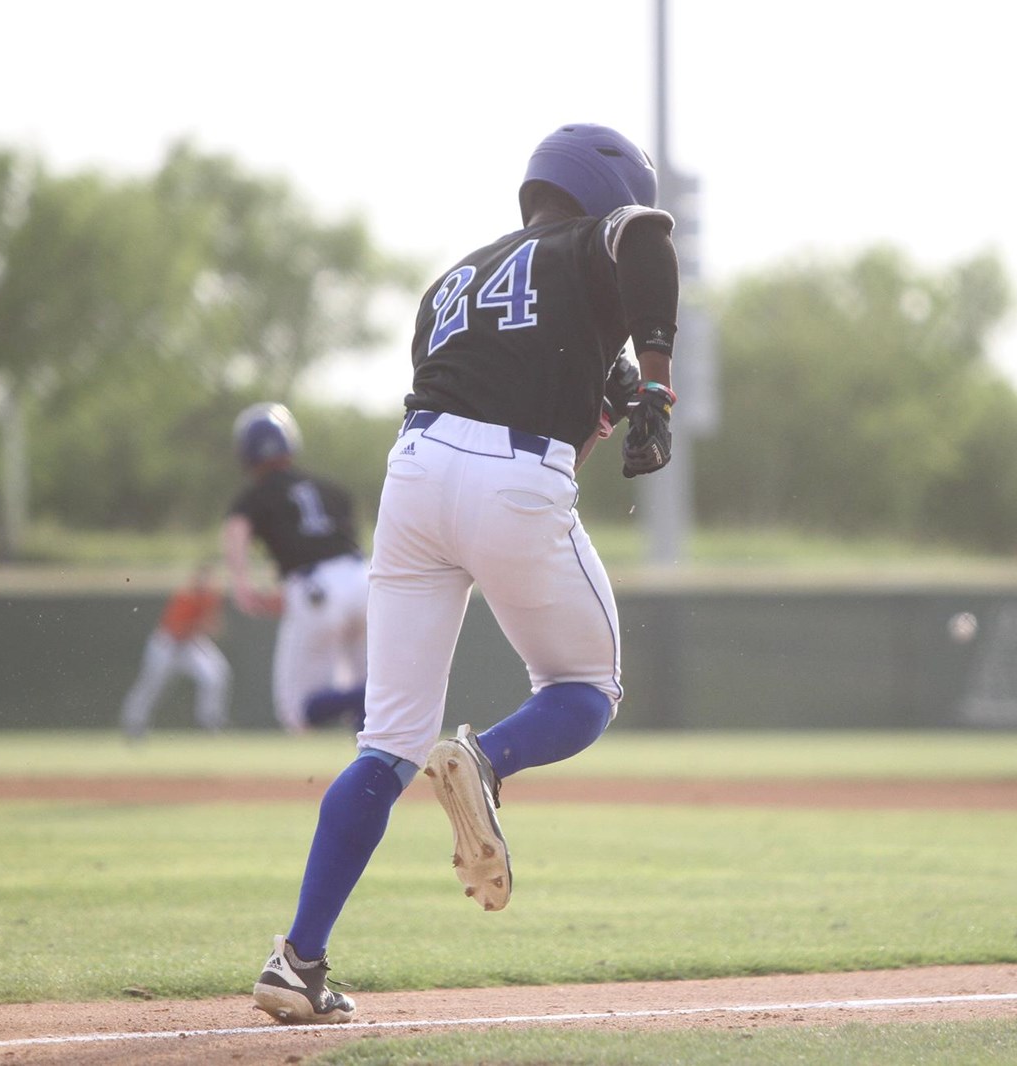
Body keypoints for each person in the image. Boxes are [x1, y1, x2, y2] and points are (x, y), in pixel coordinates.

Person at [250, 122, 680, 1025]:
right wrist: (659, 383)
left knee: (386, 744)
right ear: (605, 188)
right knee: (586, 687)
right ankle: (486, 760)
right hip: (511, 474)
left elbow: (508, 402)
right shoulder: (591, 238)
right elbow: (646, 238)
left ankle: (298, 961)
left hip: (411, 477)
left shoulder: (454, 280)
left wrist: (609, 413)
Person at [223, 402, 369, 735]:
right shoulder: (332, 490)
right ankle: (375, 777)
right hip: (364, 580)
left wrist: (242, 584)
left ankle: (363, 699)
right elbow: (333, 548)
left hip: (315, 589)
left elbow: (237, 530)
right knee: (374, 701)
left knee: (297, 711)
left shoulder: (256, 495)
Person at [118, 562, 231, 741]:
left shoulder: (211, 596)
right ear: (196, 579)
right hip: (167, 644)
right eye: (203, 577)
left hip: (190, 644)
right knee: (152, 684)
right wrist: (205, 626)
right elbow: (178, 629)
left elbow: (214, 624)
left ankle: (210, 720)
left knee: (216, 672)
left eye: (209, 578)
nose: (206, 581)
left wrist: (209, 625)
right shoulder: (186, 595)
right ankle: (134, 722)